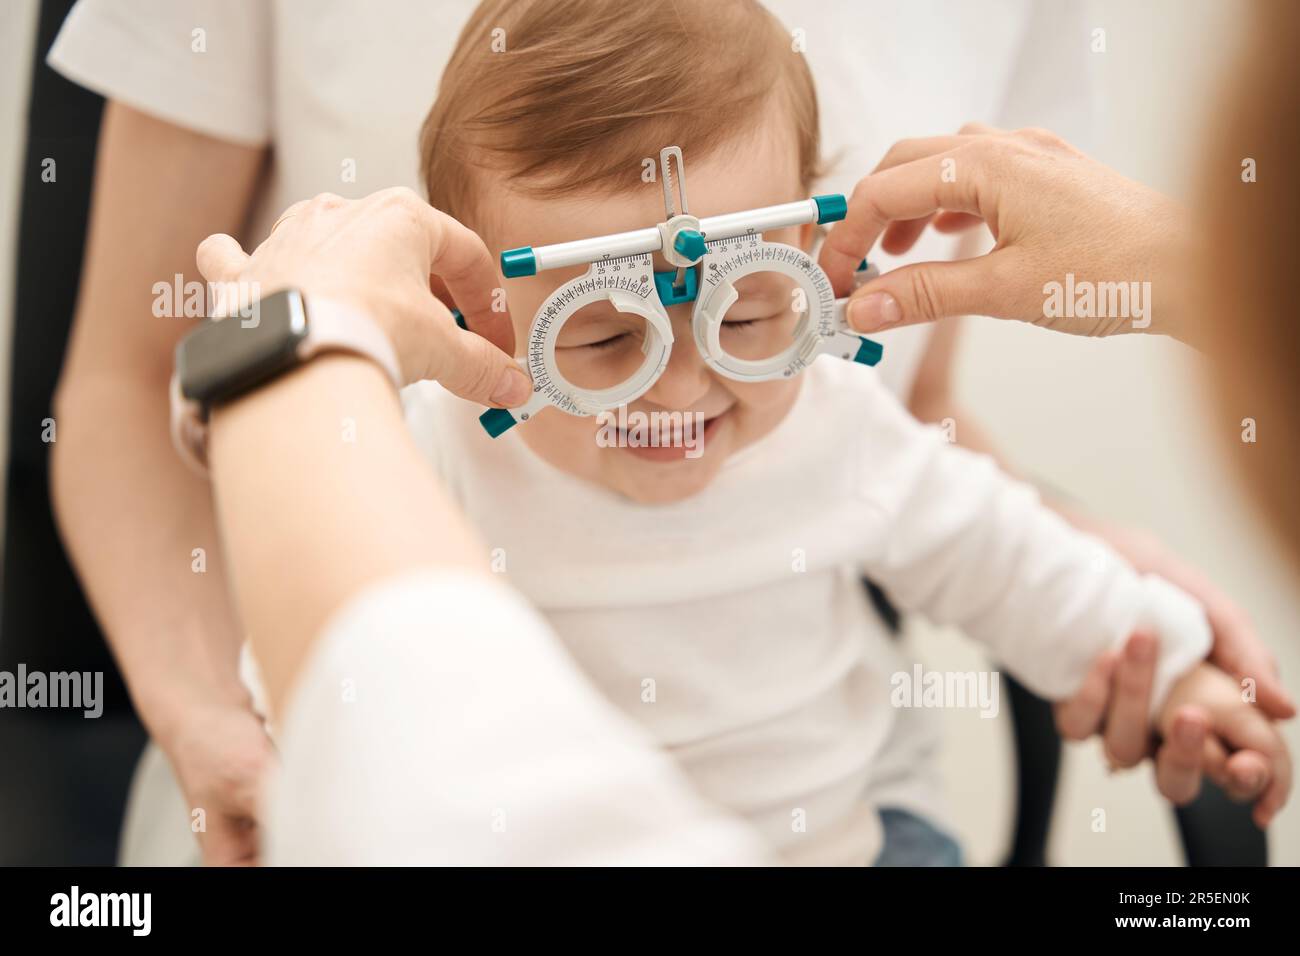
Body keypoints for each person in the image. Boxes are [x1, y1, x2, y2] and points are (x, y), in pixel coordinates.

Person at [44, 0, 1280, 864]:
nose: (681, 388)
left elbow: (1007, 553)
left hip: (846, 849)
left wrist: (1165, 655)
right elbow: (318, 665)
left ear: (813, 260)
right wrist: (243, 741)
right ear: (471, 299)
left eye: (748, 315)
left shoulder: (840, 424)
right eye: (599, 338)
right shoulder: (427, 438)